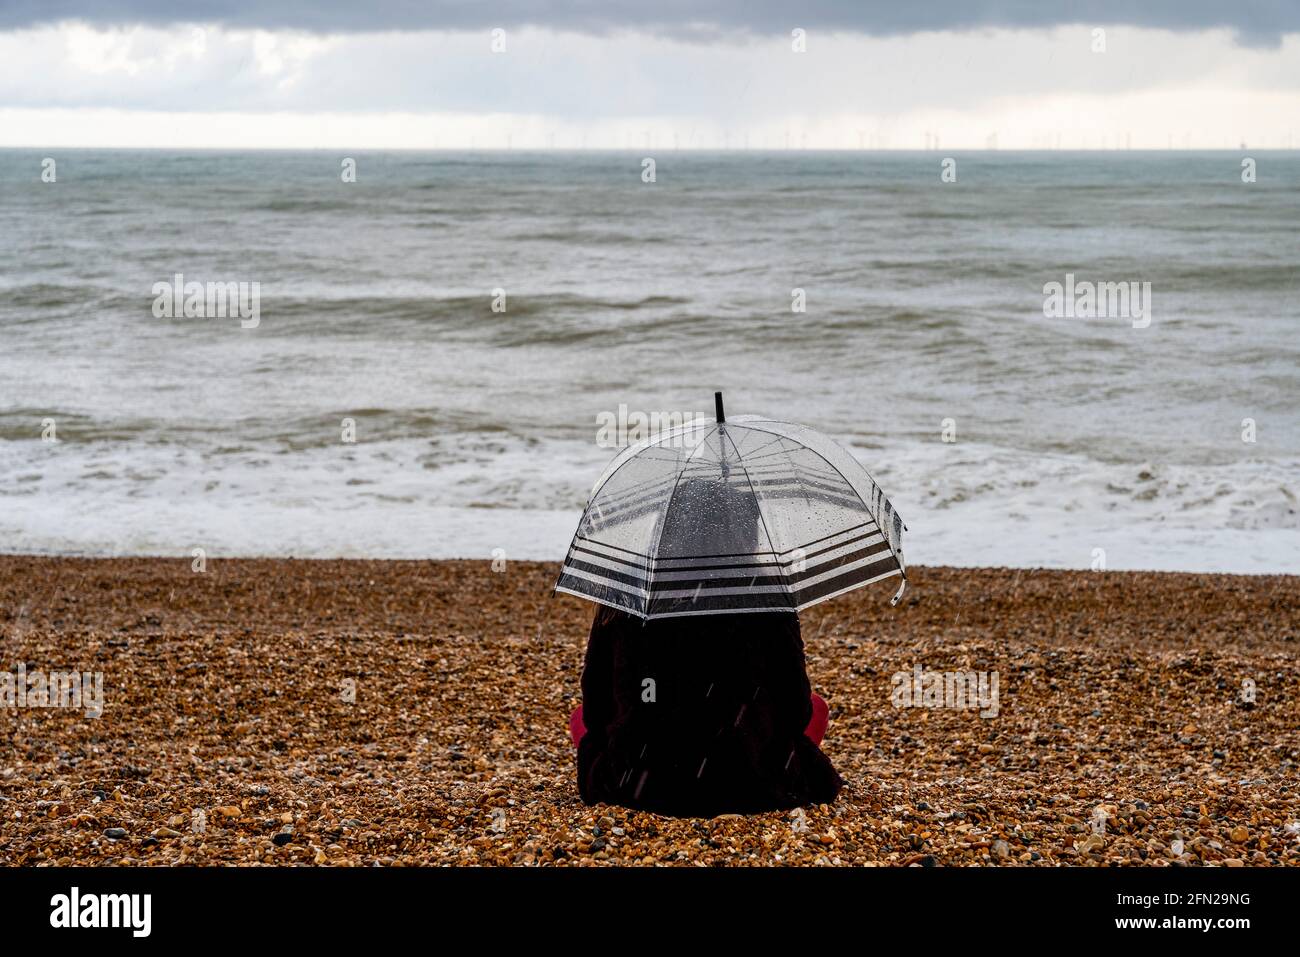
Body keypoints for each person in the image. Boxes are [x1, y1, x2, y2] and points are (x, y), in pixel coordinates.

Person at [570, 603, 842, 817]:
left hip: (641, 783)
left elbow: (596, 709)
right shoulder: (768, 597)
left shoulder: (624, 598)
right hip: (751, 780)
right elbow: (796, 708)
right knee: (818, 708)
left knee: (579, 718)